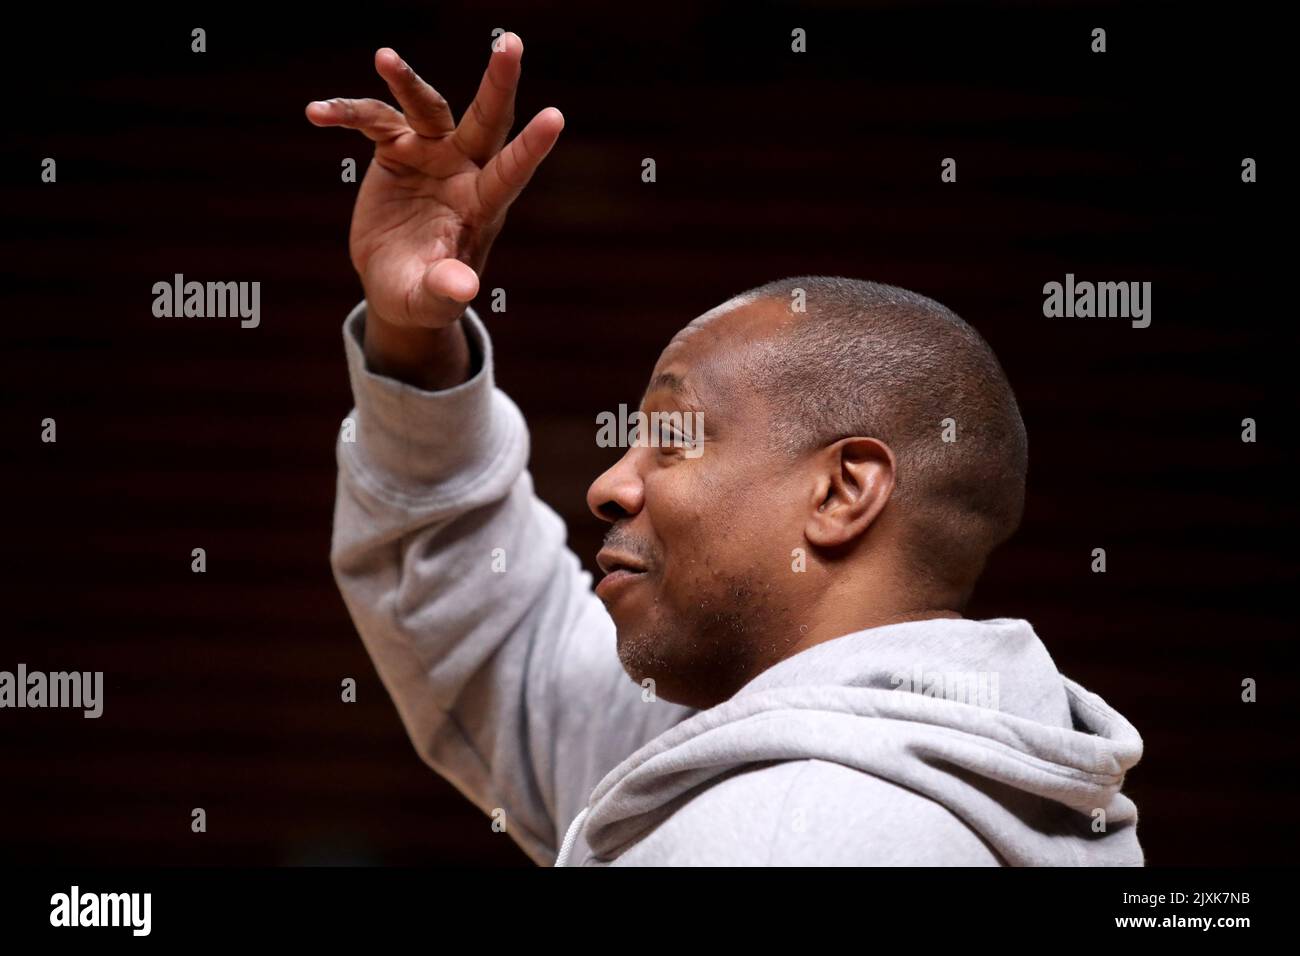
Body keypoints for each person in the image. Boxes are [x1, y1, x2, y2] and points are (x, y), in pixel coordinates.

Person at [309, 35, 1144, 866]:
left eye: (671, 436)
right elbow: (500, 649)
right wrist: (412, 338)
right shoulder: (879, 766)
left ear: (842, 492)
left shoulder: (793, 833)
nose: (607, 485)